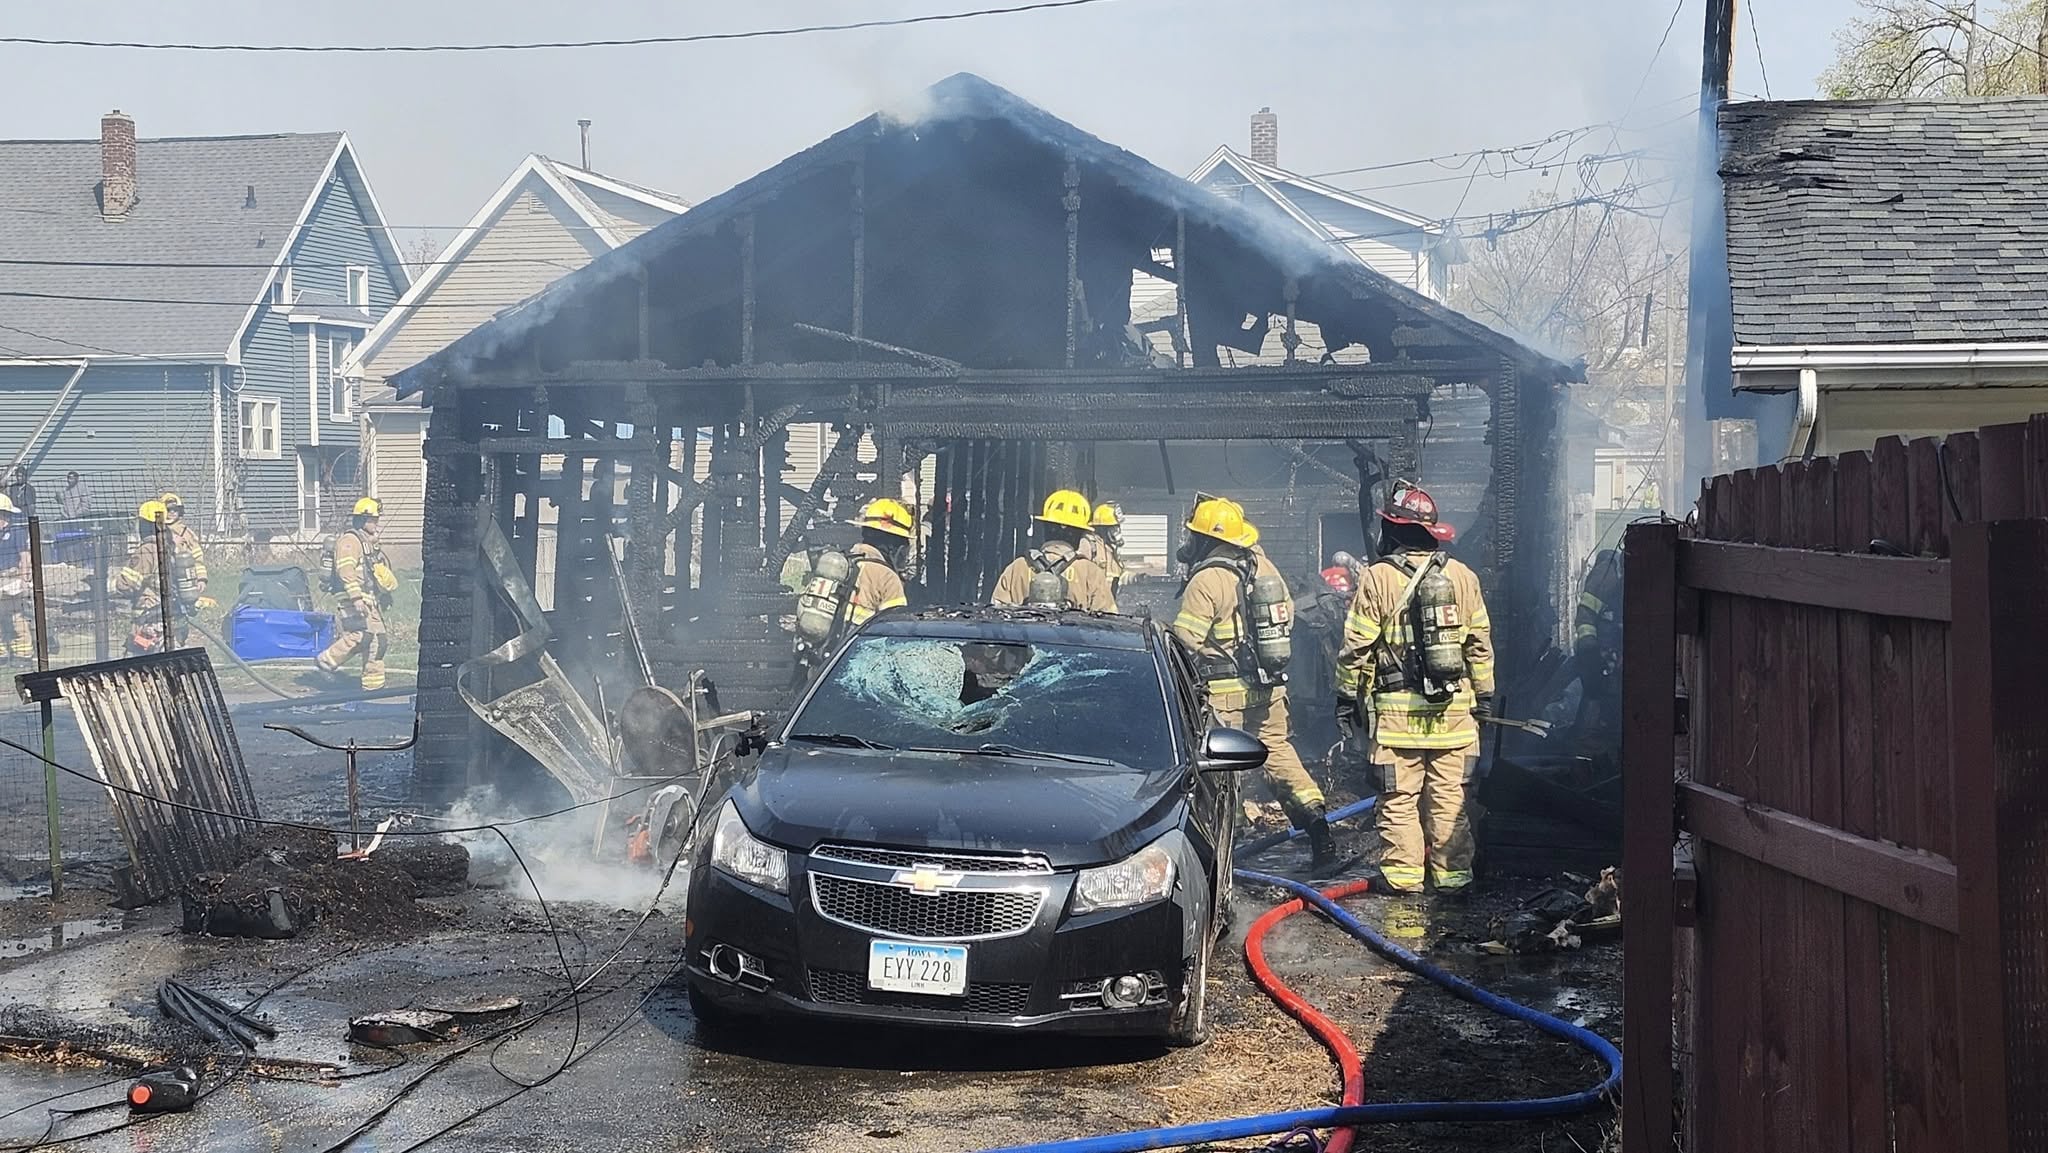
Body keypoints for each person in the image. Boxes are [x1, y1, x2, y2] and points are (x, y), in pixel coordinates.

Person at [1337, 481, 1495, 895]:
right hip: (1455, 718)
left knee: (1399, 800)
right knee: (1449, 799)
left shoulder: (1377, 579)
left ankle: (1404, 882)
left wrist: (1345, 696)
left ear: (1393, 530)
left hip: (1396, 722)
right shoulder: (1464, 577)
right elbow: (1479, 645)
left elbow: (1357, 647)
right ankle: (1453, 879)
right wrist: (1485, 697)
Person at [1172, 495, 1333, 868]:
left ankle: (1229, 846)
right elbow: (1286, 620)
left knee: (1221, 767)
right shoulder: (1265, 569)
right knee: (1277, 751)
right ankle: (1315, 819)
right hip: (1269, 686)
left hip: (1223, 692)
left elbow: (1185, 641)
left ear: (1207, 539)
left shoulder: (1207, 578)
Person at [316, 497, 400, 691]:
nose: (376, 523)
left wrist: (385, 595)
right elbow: (346, 571)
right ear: (361, 520)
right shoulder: (349, 541)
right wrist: (355, 598)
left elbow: (374, 572)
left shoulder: (367, 543)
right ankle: (325, 662)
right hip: (351, 599)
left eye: (376, 519)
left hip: (369, 599)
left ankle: (373, 687)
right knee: (361, 635)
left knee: (378, 640)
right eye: (372, 519)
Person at [990, 490, 1118, 613]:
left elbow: (995, 618)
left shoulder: (1017, 568)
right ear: (1080, 533)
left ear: (1046, 527)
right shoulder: (1091, 573)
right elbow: (1108, 624)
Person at [113, 500, 183, 653]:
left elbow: (126, 584)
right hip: (168, 612)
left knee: (141, 663)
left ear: (144, 525)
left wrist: (110, 585)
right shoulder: (167, 547)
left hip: (149, 615)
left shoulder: (147, 551)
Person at [842, 498, 914, 628]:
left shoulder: (843, 561)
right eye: (903, 542)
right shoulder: (888, 577)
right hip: (864, 645)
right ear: (893, 544)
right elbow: (896, 628)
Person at [156, 492, 212, 613]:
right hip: (162, 577)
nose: (172, 513)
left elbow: (197, 557)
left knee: (182, 610)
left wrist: (201, 579)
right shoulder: (157, 532)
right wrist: (170, 542)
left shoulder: (187, 533)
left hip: (183, 578)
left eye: (175, 510)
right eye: (168, 509)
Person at [0, 496, 32, 661]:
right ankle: (2, 653)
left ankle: (23, 653)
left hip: (12, 577)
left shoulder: (16, 532)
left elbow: (24, 556)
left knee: (16, 617)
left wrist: (23, 578)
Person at [1079, 500, 1127, 594]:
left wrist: (1136, 578)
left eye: (1118, 527)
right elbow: (1080, 577)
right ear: (1103, 528)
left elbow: (1118, 575)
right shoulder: (1088, 544)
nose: (1117, 531)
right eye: (1113, 527)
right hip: (1095, 605)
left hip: (1110, 604)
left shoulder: (1111, 549)